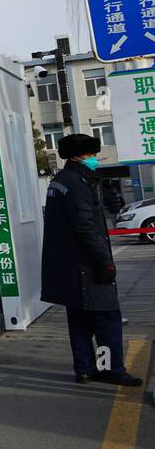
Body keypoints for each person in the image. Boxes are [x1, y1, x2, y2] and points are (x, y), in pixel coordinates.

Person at [41, 133, 143, 387]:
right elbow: (85, 226)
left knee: (79, 320)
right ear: (81, 155)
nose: (95, 159)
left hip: (70, 266)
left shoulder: (59, 182)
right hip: (88, 266)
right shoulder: (77, 183)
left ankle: (85, 369)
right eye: (93, 154)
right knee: (106, 318)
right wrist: (105, 261)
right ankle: (109, 368)